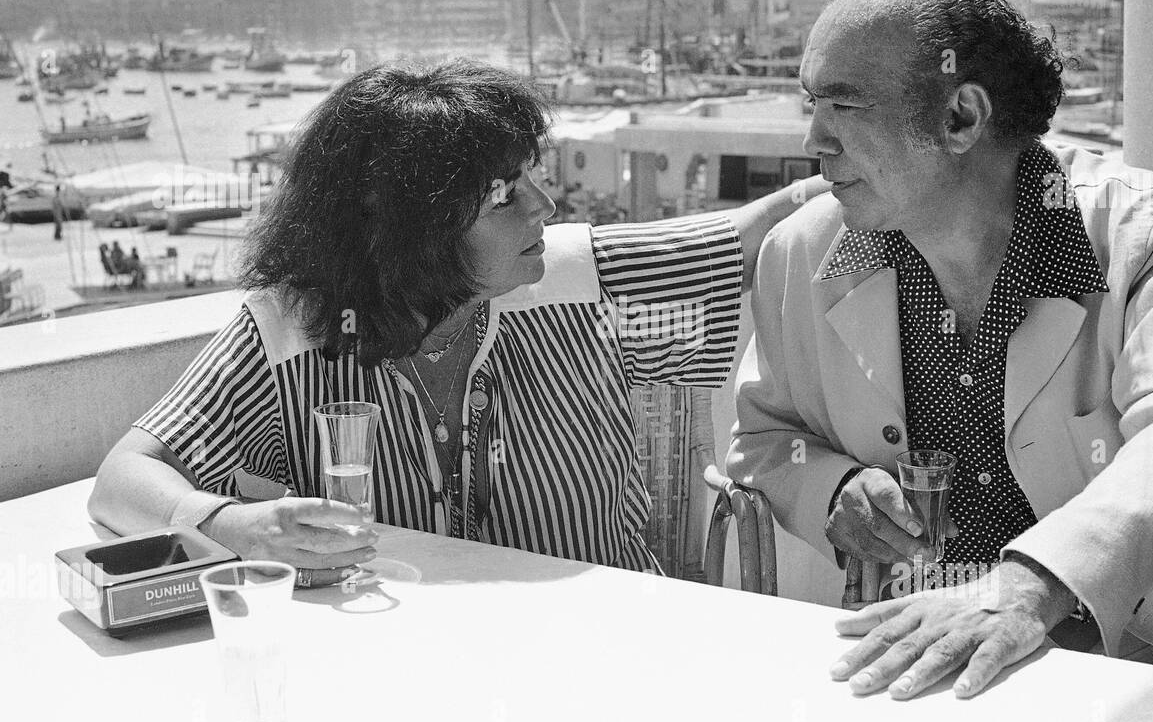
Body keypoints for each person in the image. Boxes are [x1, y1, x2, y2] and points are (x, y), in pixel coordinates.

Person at [727, 0, 1153, 698]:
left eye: (843, 105)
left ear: (962, 117)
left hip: (1146, 665)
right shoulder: (799, 252)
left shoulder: (1137, 230)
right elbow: (763, 436)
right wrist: (832, 487)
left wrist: (1033, 586)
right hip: (903, 664)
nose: (814, 140)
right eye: (812, 104)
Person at [89, 59, 829, 589]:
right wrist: (226, 525)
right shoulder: (293, 332)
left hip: (600, 666)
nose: (545, 204)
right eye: (506, 197)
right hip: (405, 685)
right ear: (418, 230)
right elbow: (123, 480)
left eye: (534, 177)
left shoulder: (579, 279)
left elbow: (775, 225)